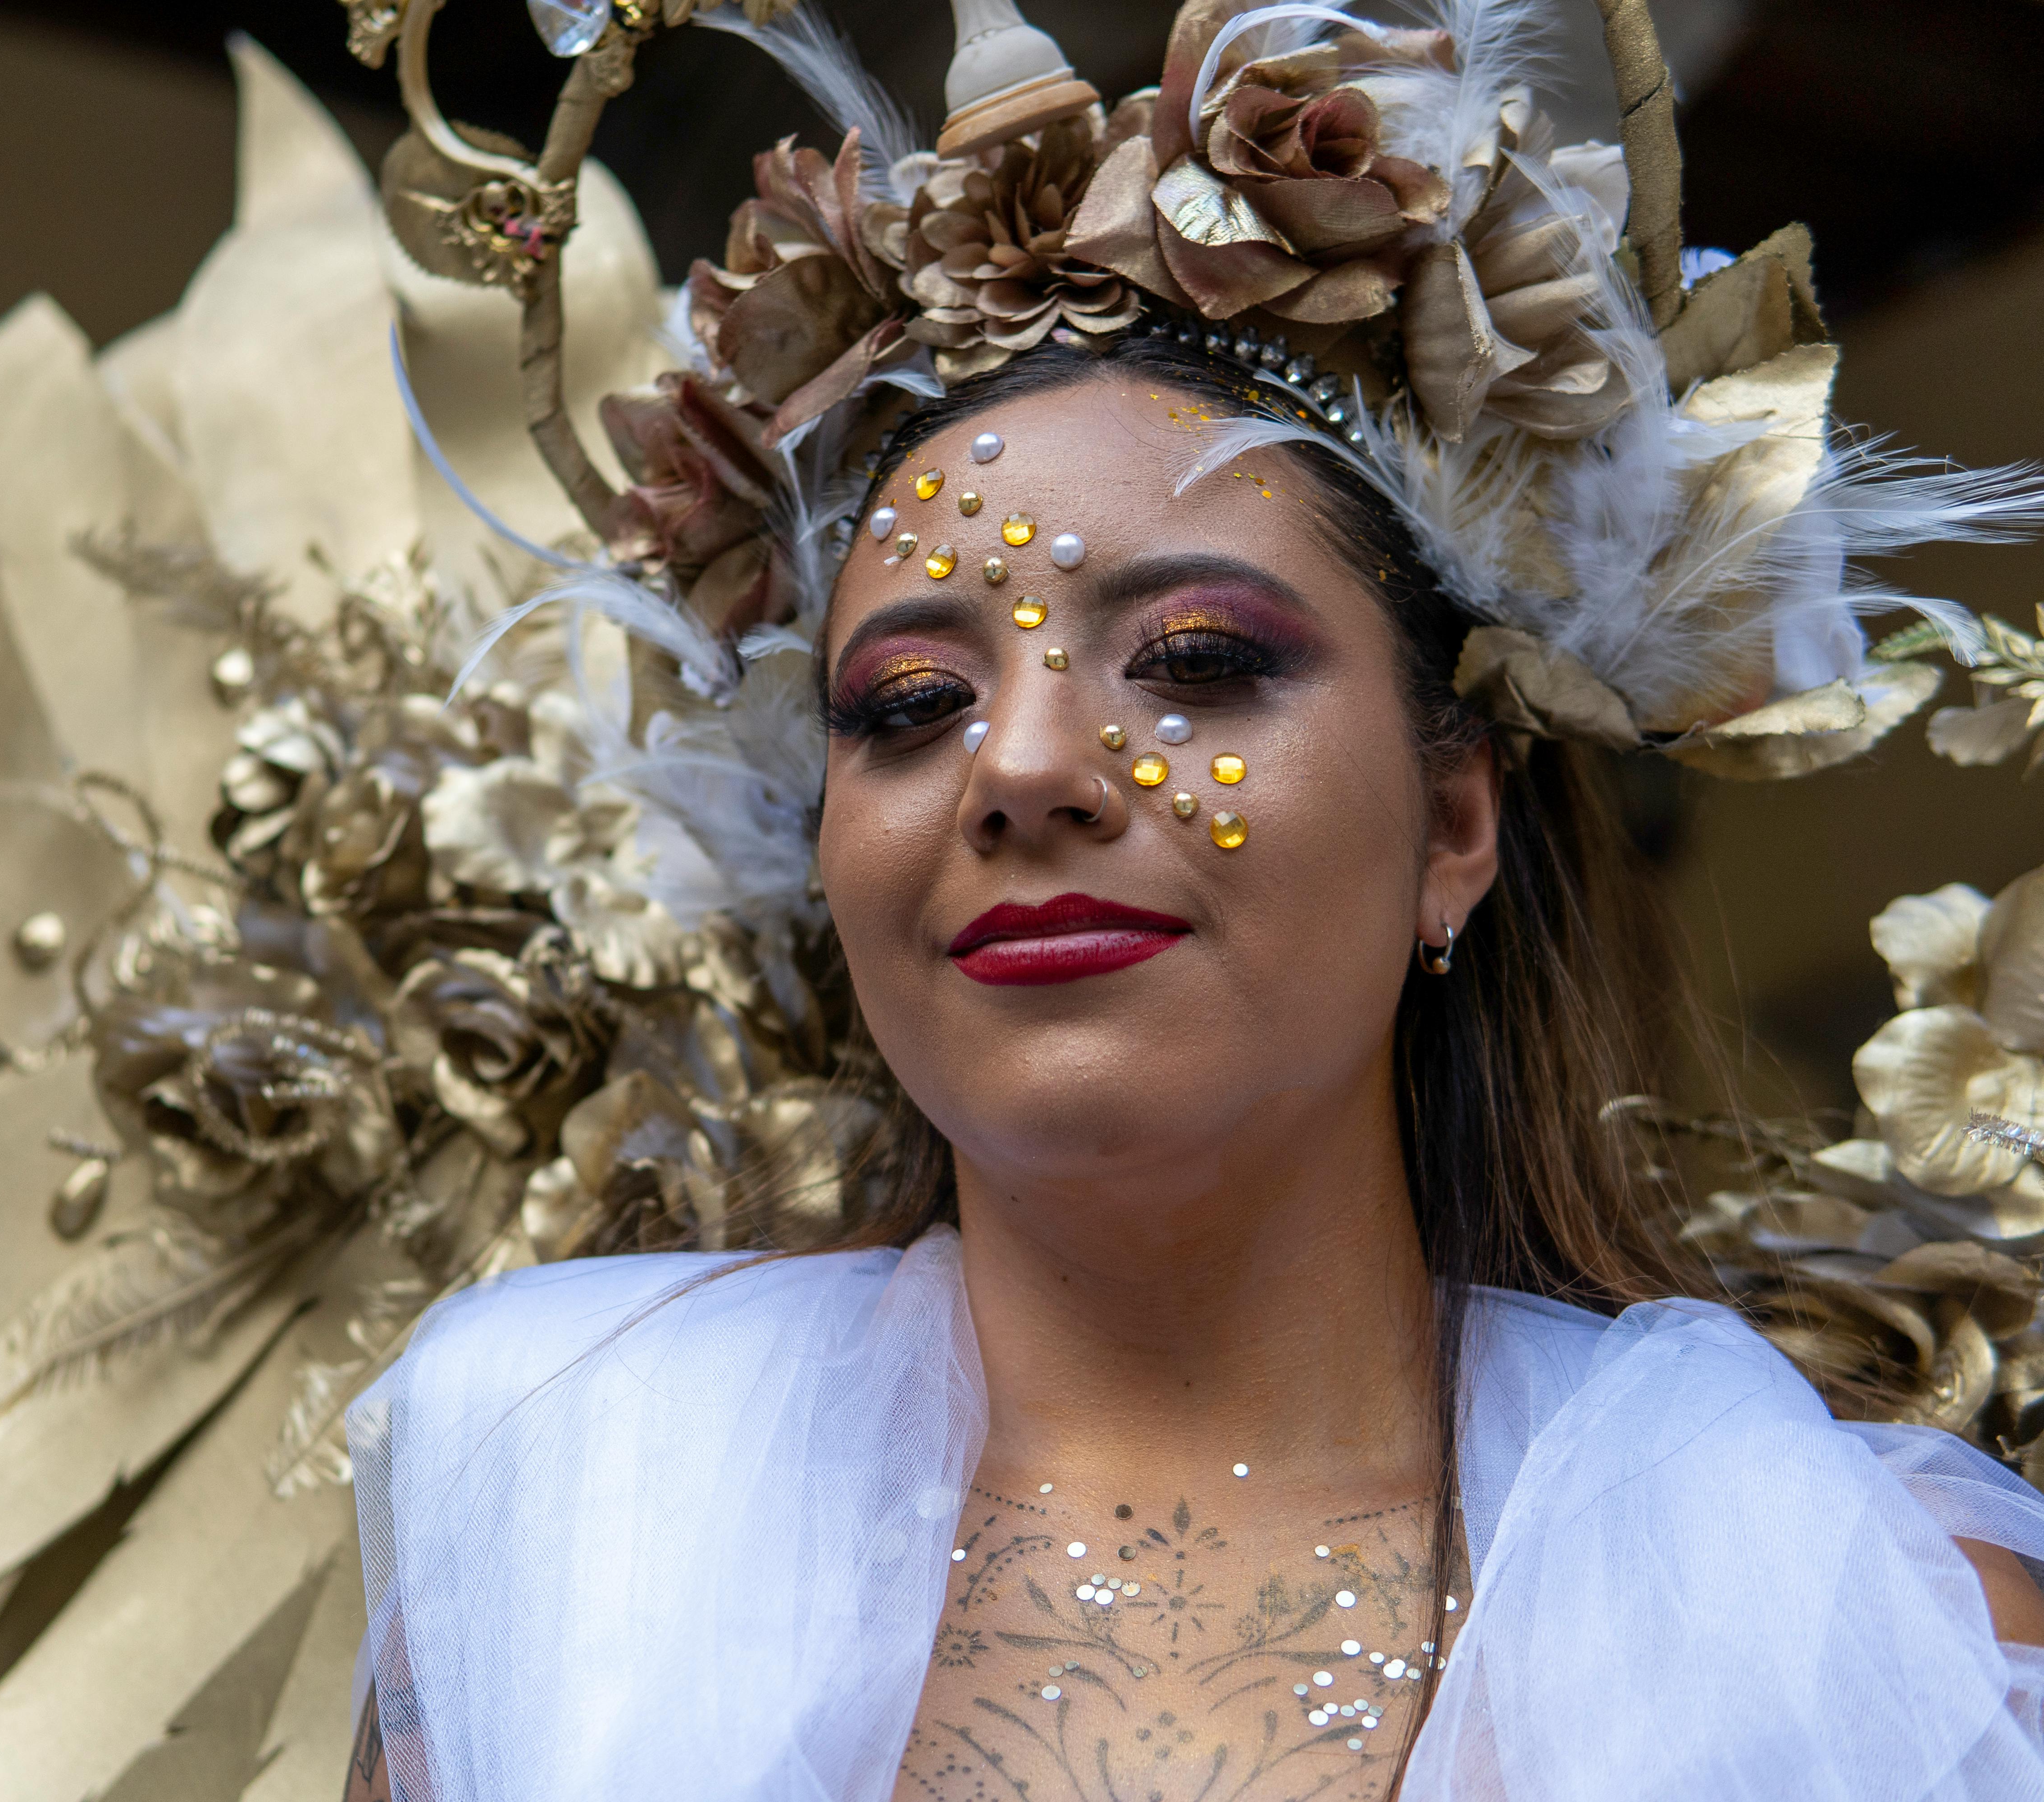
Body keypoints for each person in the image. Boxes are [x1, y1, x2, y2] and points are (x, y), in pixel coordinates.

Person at [343, 2, 2044, 1797]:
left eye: (1203, 660)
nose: (1019, 767)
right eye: (909, 705)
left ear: (1454, 815)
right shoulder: (567, 1492)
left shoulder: (1847, 1613)